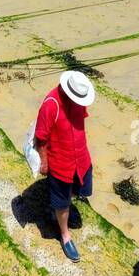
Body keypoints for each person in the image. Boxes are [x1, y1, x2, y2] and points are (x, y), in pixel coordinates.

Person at [33, 70, 95, 262]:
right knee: (62, 201)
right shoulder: (51, 105)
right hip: (60, 162)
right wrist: (44, 162)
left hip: (81, 158)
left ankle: (61, 211)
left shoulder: (79, 102)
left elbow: (79, 124)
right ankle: (65, 235)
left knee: (81, 190)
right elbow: (40, 137)